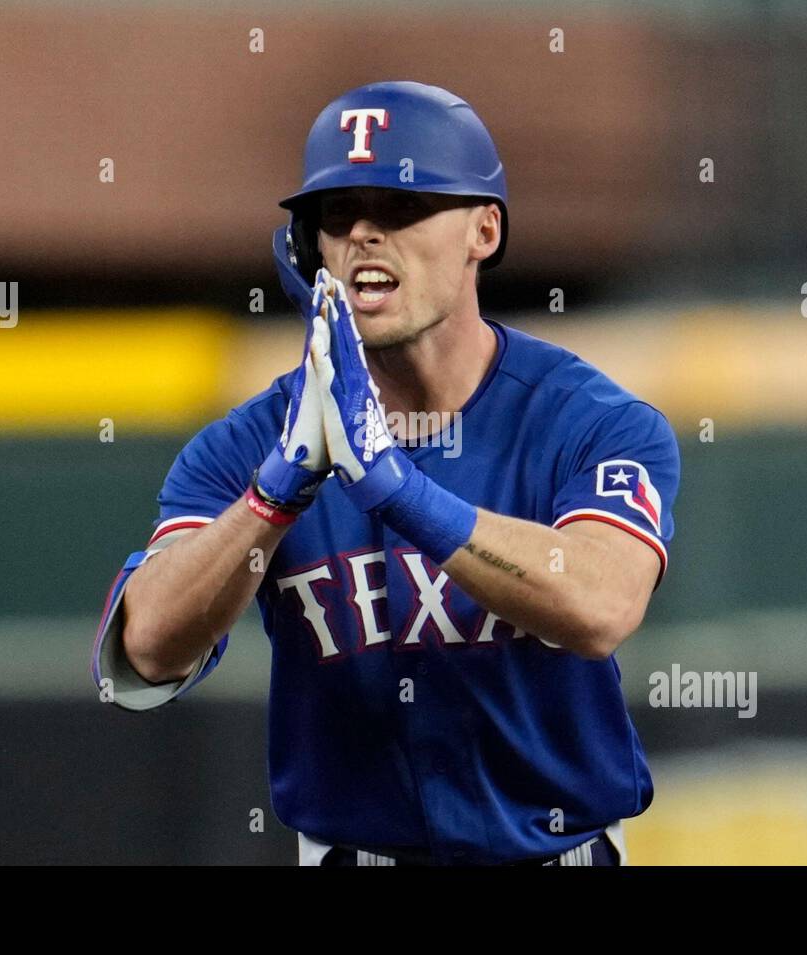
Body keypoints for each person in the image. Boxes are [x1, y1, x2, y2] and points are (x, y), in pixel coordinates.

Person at [92, 81, 680, 866]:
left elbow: (600, 602)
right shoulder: (254, 446)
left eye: (401, 207)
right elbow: (150, 647)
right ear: (309, 248)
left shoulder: (588, 421)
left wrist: (401, 491)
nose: (365, 232)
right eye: (338, 214)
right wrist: (272, 498)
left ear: (484, 228)